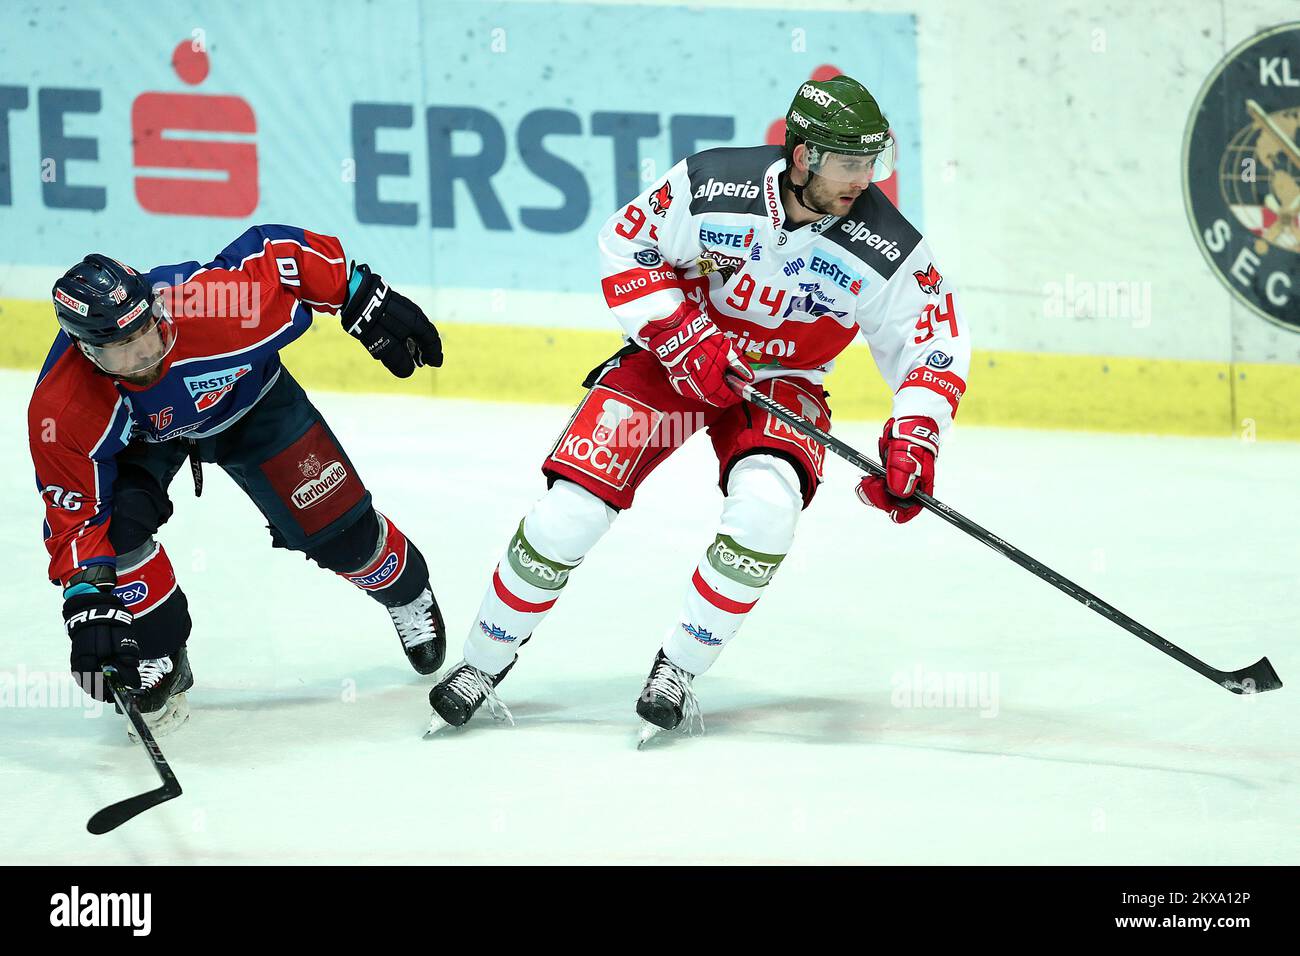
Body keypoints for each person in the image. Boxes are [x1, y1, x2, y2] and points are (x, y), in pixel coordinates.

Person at [427, 75, 970, 742]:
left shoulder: (886, 244)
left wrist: (916, 436)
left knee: (768, 510)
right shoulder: (713, 185)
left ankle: (676, 673)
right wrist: (681, 333)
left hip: (781, 378)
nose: (867, 179)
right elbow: (625, 246)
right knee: (567, 513)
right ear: (803, 156)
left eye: (873, 161)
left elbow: (933, 340)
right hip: (675, 357)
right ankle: (481, 665)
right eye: (850, 163)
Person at [31, 225, 446, 736]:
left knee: (340, 534)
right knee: (115, 534)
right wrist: (89, 604)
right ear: (86, 353)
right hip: (146, 439)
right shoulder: (62, 408)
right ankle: (160, 651)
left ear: (158, 310)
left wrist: (355, 292)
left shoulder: (211, 306)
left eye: (149, 332)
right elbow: (76, 515)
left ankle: (407, 593)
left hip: (252, 406)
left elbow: (280, 252)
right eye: (122, 352)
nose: (145, 356)